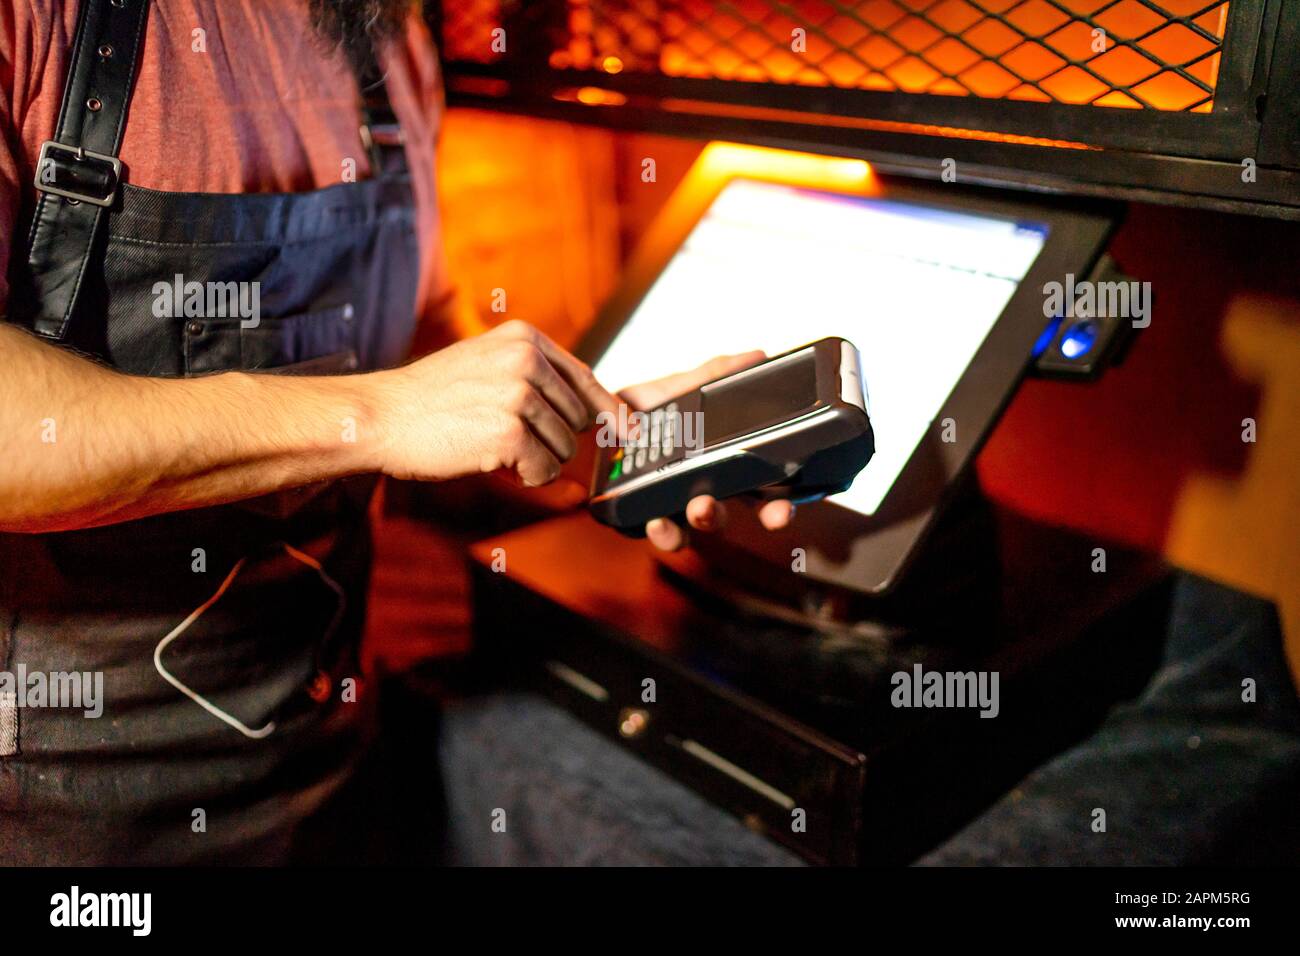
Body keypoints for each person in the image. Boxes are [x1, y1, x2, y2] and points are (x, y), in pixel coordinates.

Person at [0, 1, 792, 863]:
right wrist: (377, 414)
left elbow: (419, 346)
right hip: (67, 826)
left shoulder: (386, 35)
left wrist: (602, 434)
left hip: (328, 776)